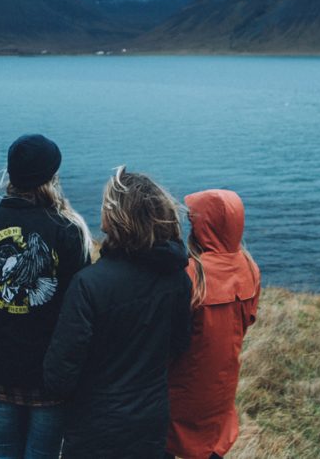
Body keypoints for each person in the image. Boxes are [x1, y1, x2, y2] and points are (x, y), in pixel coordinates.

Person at [0, 134, 93, 459]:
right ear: (52, 178)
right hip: (50, 376)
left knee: (3, 453)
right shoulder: (69, 230)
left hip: (1, 367)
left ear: (11, 175)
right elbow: (81, 311)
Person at [43, 166, 192, 459]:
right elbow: (179, 344)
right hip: (151, 418)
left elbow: (59, 375)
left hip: (96, 426)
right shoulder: (178, 279)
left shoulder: (89, 284)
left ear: (116, 217)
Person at [164, 189, 261, 459]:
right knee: (211, 446)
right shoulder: (250, 268)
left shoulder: (189, 274)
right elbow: (247, 320)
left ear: (203, 227)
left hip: (182, 389)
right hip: (221, 386)